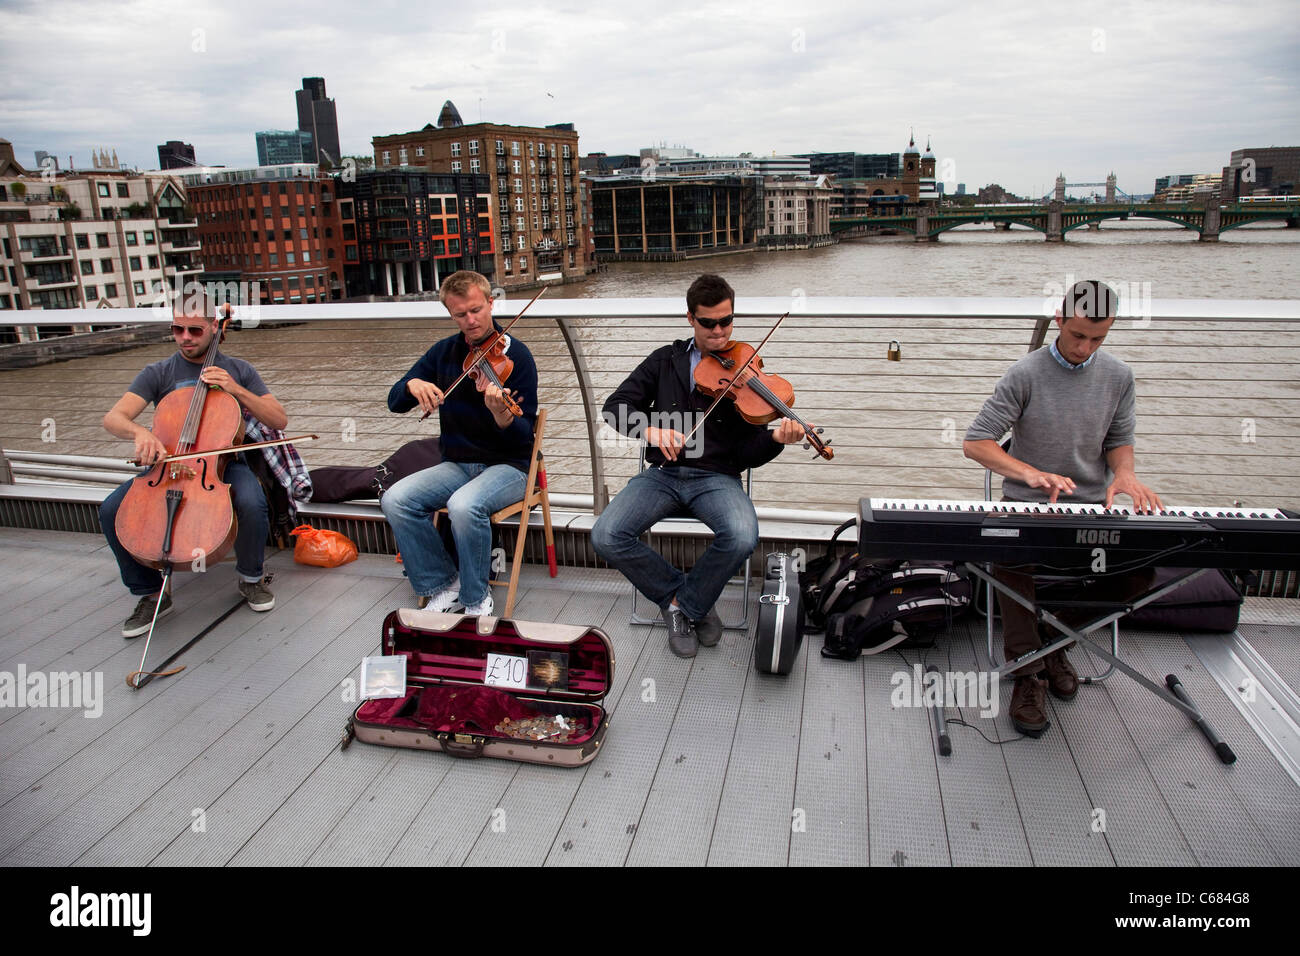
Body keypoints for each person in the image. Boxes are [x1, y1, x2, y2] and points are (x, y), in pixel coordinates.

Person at [963, 279, 1162, 737]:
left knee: (1141, 572)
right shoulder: (1025, 373)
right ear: (1059, 319)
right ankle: (1028, 675)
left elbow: (1119, 442)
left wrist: (1126, 475)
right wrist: (1027, 472)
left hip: (1091, 510)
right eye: (1077, 335)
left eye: (1097, 339)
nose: (1084, 347)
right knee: (1008, 557)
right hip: (1028, 506)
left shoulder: (1119, 376)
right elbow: (976, 443)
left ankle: (1050, 642)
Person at [592, 274, 808, 658]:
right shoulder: (664, 361)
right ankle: (688, 599)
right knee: (606, 535)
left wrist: (775, 440)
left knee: (742, 536)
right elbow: (614, 408)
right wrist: (650, 430)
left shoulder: (746, 370)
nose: (720, 331)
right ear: (690, 318)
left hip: (718, 478)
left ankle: (681, 609)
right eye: (709, 323)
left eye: (727, 320)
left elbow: (746, 454)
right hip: (662, 475)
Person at [99, 299, 287, 637]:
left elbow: (278, 419)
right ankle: (151, 593)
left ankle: (251, 578)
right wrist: (141, 432)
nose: (185, 337)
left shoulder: (239, 370)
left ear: (215, 327)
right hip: (166, 465)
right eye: (177, 329)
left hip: (220, 466)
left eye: (195, 330)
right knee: (111, 509)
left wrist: (235, 389)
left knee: (252, 503)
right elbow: (113, 418)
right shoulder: (158, 372)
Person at [382, 270, 538, 616]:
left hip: (510, 467)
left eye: (476, 310)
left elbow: (524, 435)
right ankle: (443, 584)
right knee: (396, 499)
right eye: (460, 314)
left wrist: (502, 415)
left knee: (464, 506)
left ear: (490, 303)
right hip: (458, 463)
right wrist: (411, 387)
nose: (471, 321)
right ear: (450, 314)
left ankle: (475, 596)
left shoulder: (518, 357)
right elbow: (394, 401)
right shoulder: (444, 354)